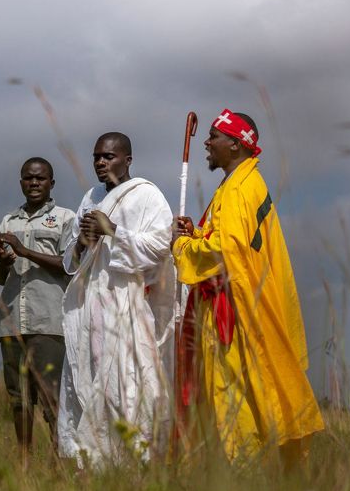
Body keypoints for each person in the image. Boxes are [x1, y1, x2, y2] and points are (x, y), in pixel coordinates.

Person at [172, 109, 325, 465]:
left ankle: (245, 479)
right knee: (244, 394)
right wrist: (195, 232)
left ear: (236, 144)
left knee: (235, 398)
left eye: (214, 137)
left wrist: (182, 248)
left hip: (234, 316)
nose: (207, 143)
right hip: (232, 309)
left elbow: (226, 252)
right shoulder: (237, 184)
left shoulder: (242, 189)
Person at [58, 132, 176, 466]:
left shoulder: (146, 195)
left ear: (127, 160)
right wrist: (82, 242)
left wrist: (113, 231)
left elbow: (158, 247)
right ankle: (94, 461)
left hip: (126, 302)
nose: (100, 162)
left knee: (129, 382)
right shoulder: (91, 196)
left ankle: (137, 459)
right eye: (96, 156)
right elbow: (73, 255)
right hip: (90, 304)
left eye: (108, 157)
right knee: (88, 377)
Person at [0, 157, 77, 458]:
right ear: (21, 182)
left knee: (52, 397)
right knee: (19, 398)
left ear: (52, 183)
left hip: (48, 322)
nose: (34, 183)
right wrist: (3, 259)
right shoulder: (8, 221)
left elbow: (70, 267)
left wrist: (25, 250)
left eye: (40, 178)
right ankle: (24, 463)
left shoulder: (66, 218)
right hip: (12, 322)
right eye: (28, 178)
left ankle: (58, 461)